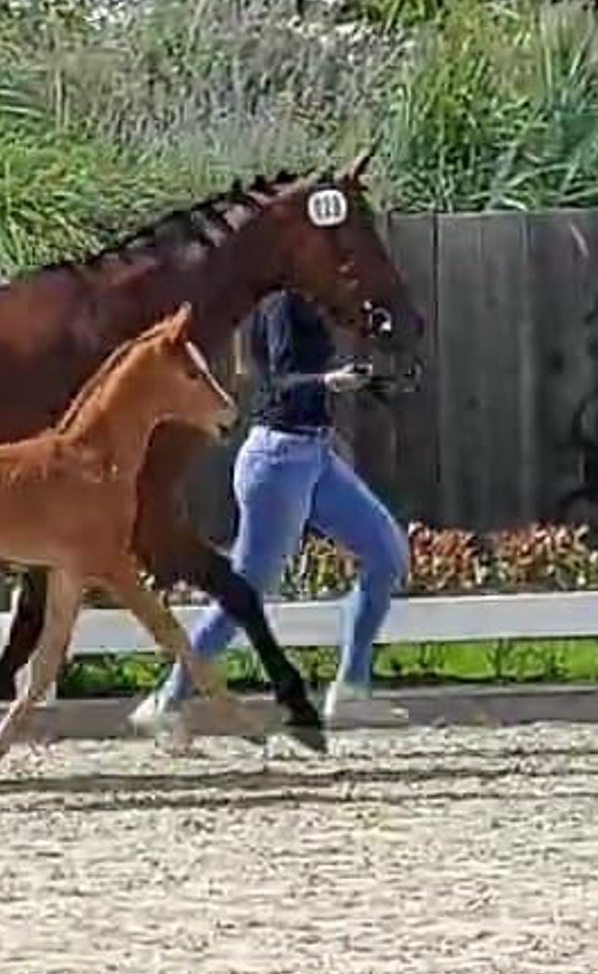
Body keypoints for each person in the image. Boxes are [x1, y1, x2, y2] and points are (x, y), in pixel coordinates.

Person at [128, 288, 411, 751]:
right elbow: (279, 382)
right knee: (246, 590)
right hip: (277, 461)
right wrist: (330, 381)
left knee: (386, 555)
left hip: (316, 455)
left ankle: (352, 688)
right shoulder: (282, 304)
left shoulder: (313, 298)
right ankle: (167, 700)